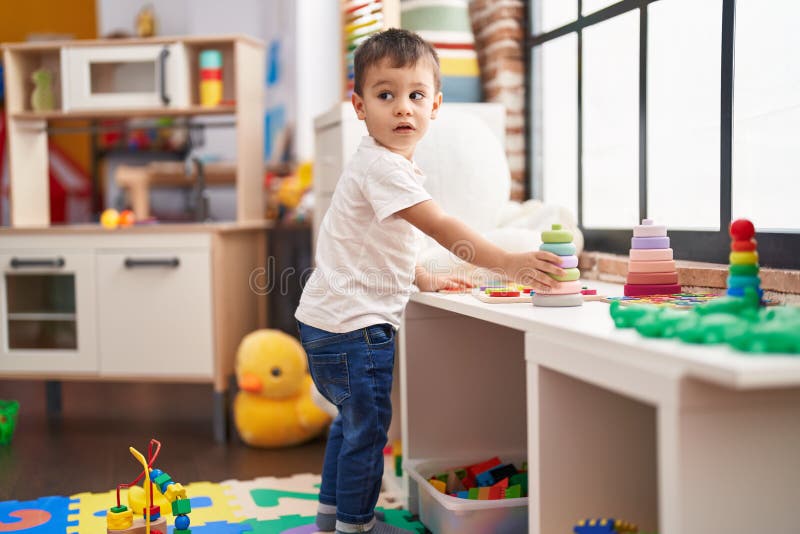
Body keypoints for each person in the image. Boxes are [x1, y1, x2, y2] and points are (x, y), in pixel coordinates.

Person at [295, 28, 565, 534]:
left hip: (325, 326)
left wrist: (422, 277)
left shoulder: (380, 167)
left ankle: (333, 517)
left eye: (415, 96)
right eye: (385, 95)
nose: (403, 108)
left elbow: (376, 244)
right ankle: (358, 526)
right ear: (359, 106)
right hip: (355, 330)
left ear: (435, 106)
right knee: (368, 433)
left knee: (349, 427)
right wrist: (508, 263)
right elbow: (440, 227)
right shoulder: (384, 168)